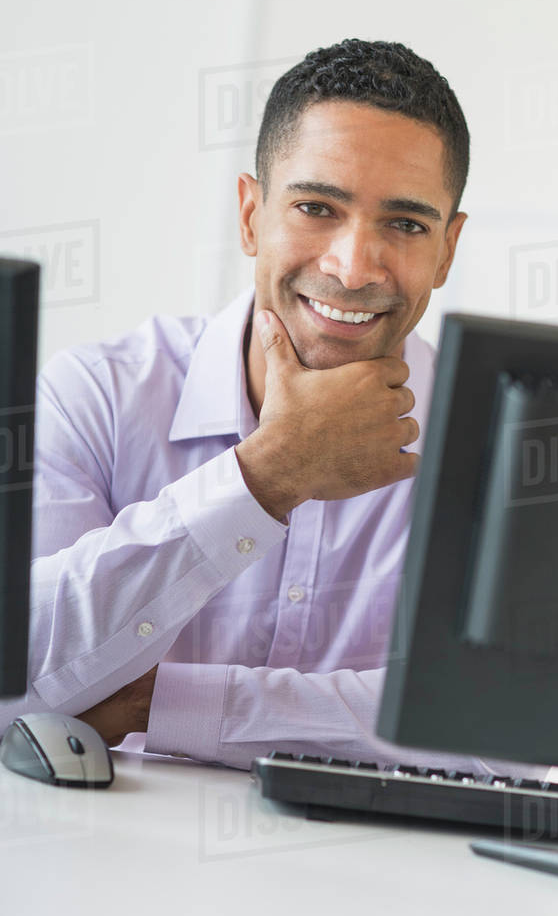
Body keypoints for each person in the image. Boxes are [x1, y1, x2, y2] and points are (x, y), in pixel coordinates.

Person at [0, 38, 481, 771]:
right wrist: (269, 474)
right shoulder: (96, 397)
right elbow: (14, 682)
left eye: (406, 225)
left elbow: (498, 734)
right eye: (317, 207)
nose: (351, 267)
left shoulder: (496, 454)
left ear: (446, 251)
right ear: (251, 215)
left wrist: (155, 703)